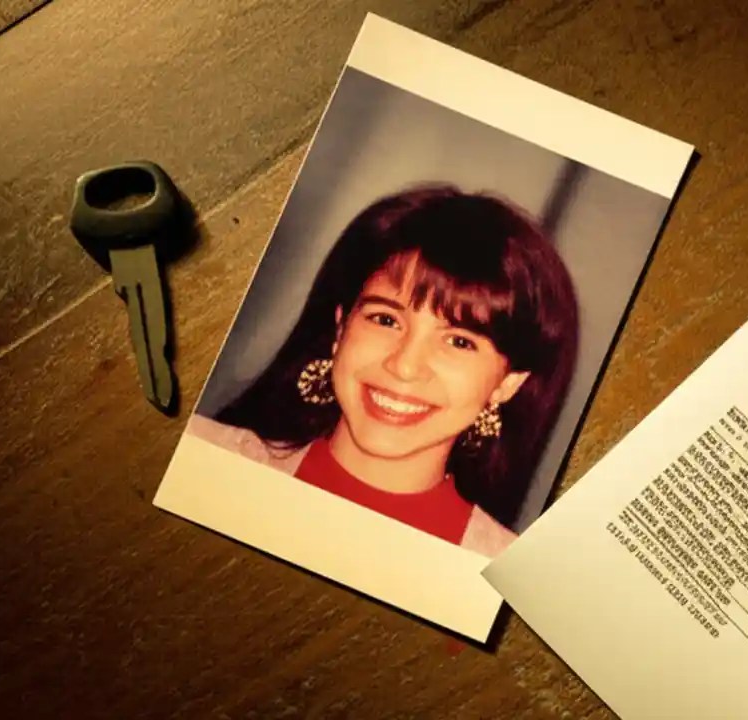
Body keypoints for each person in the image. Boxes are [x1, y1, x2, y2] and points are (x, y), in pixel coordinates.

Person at [187, 185, 579, 556]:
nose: (404, 366)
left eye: (460, 341)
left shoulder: (502, 570)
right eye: (385, 319)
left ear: (508, 384)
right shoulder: (199, 455)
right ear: (341, 328)